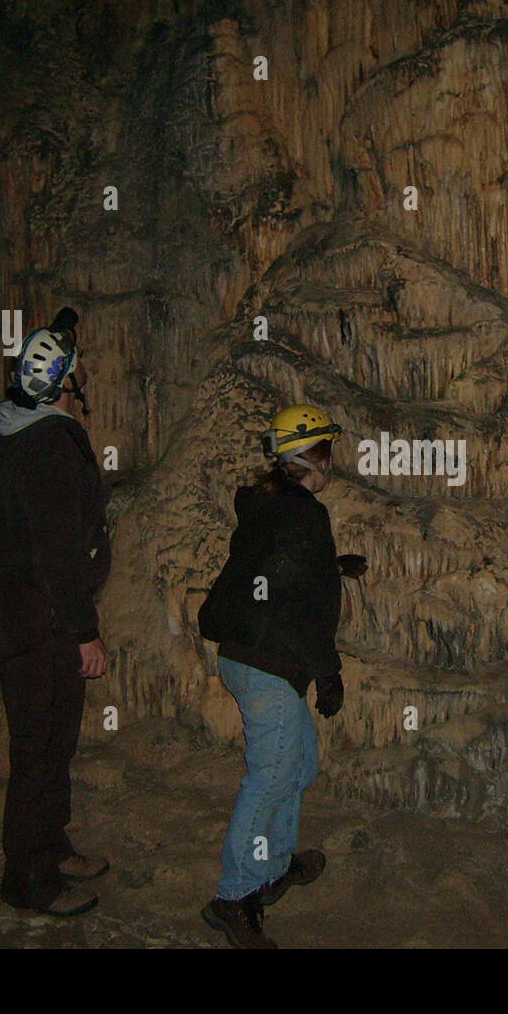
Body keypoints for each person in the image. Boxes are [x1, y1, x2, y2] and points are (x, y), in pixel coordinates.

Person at [197, 403, 362, 949]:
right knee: (271, 774)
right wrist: (328, 672)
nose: (331, 463)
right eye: (326, 452)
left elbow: (268, 572)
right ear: (308, 457)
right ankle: (236, 894)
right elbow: (291, 602)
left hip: (244, 653)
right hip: (267, 660)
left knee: (298, 763)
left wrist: (329, 565)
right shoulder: (303, 515)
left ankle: (272, 865)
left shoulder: (268, 504)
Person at [0, 307, 111, 917]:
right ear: (64, 385)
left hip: (31, 616)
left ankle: (51, 845)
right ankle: (28, 879)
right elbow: (56, 552)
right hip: (46, 624)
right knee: (38, 749)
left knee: (54, 742)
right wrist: (83, 632)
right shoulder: (47, 448)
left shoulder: (20, 430)